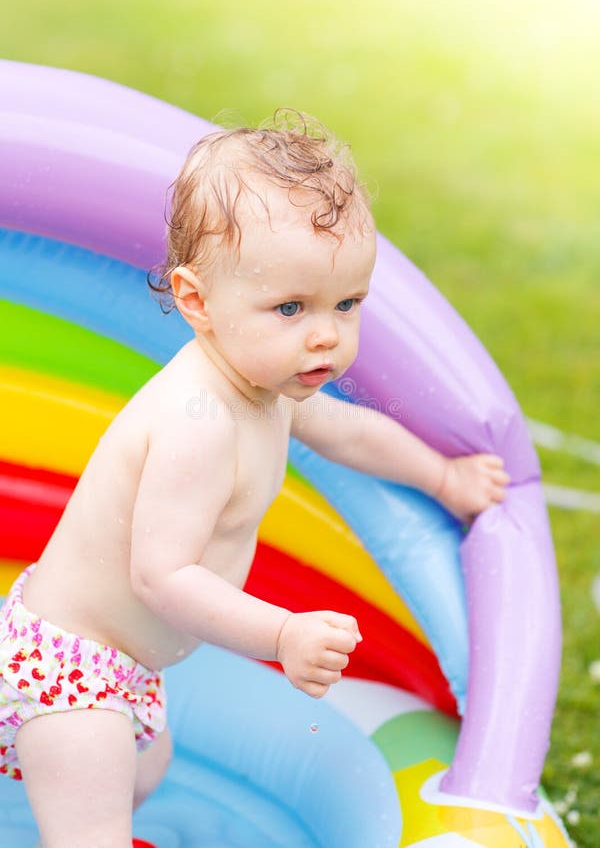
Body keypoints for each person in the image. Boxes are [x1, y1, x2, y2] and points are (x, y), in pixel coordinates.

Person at [0, 112, 509, 847]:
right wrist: (283, 631)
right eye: (292, 307)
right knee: (90, 830)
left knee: (143, 778)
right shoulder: (199, 420)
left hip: (123, 670)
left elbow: (351, 432)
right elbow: (161, 576)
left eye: (347, 304)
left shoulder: (265, 386)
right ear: (198, 302)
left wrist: (445, 478)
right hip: (69, 669)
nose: (326, 335)